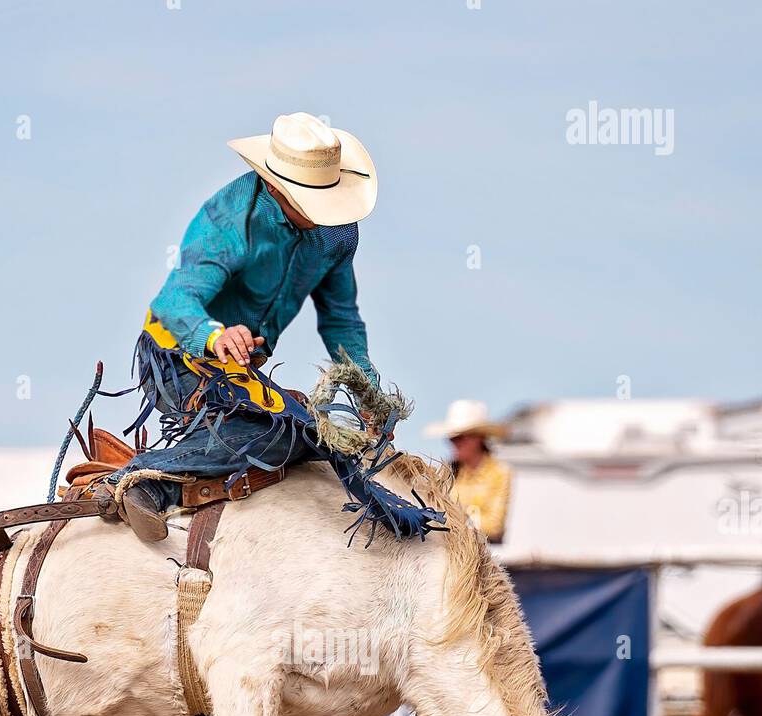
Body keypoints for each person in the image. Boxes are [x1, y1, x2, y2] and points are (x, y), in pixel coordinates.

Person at [110, 111, 380, 542]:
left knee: (317, 439)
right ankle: (145, 484)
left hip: (240, 371)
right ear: (275, 187)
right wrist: (216, 336)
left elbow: (340, 316)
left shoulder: (338, 233)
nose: (325, 210)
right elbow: (173, 302)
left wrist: (367, 387)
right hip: (177, 355)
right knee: (284, 432)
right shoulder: (228, 221)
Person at [424, 399, 512, 543]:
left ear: (478, 438)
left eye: (459, 438)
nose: (454, 444)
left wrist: (452, 519)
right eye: (452, 439)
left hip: (486, 551)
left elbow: (494, 526)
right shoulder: (447, 472)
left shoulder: (499, 472)